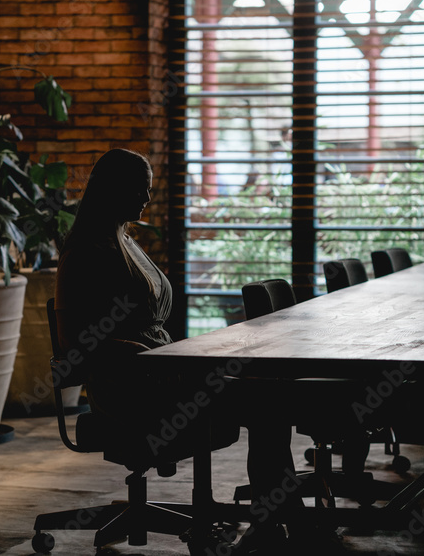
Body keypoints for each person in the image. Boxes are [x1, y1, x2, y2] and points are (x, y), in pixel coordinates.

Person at [55, 148, 310, 553]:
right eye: (139, 189)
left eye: (150, 190)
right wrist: (145, 354)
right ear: (112, 190)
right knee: (265, 400)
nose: (147, 199)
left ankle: (278, 516)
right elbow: (75, 345)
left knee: (265, 389)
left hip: (163, 371)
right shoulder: (84, 252)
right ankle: (279, 519)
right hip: (129, 384)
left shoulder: (123, 239)